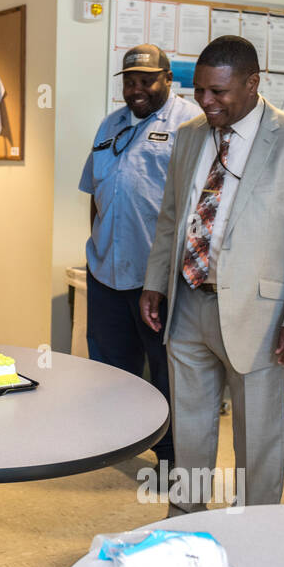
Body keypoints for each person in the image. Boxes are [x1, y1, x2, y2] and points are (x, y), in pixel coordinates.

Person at [141, 35, 284, 512]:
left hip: (260, 312)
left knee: (257, 433)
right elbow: (171, 217)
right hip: (188, 301)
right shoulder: (190, 135)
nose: (206, 102)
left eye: (219, 92)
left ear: (252, 83)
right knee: (188, 424)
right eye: (201, 90)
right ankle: (185, 518)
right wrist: (154, 280)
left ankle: (257, 526)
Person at [79, 44, 198, 475]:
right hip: (106, 270)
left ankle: (170, 457)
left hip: (158, 277)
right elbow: (96, 191)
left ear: (168, 79)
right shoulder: (110, 124)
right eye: (130, 80)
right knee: (112, 368)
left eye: (147, 79)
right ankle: (117, 441)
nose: (137, 89)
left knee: (166, 372)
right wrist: (98, 242)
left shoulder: (191, 124)